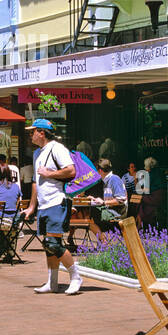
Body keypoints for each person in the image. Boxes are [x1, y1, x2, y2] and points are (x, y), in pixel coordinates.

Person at [22, 119, 82, 294]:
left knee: (54, 243)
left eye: (32, 131)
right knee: (48, 246)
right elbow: (35, 182)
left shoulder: (57, 148)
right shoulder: (36, 154)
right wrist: (31, 207)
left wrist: (50, 173)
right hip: (44, 205)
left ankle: (76, 277)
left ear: (42, 132)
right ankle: (52, 282)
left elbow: (71, 171)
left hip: (57, 201)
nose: (30, 135)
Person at [90, 159, 129, 234]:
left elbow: (121, 200)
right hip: (111, 211)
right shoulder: (107, 180)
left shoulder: (114, 179)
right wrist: (95, 199)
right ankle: (103, 241)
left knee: (89, 219)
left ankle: (103, 241)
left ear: (100, 171)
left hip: (117, 214)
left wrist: (103, 202)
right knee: (90, 215)